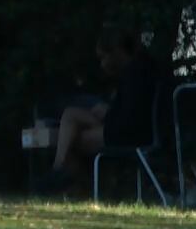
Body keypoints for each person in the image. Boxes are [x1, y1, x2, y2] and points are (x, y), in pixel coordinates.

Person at [36, 31, 163, 192]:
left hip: (129, 134)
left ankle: (66, 177)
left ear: (117, 52)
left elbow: (130, 115)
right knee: (70, 115)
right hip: (128, 127)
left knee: (72, 141)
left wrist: (108, 113)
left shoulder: (135, 74)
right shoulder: (141, 69)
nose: (102, 64)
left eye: (104, 58)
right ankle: (60, 171)